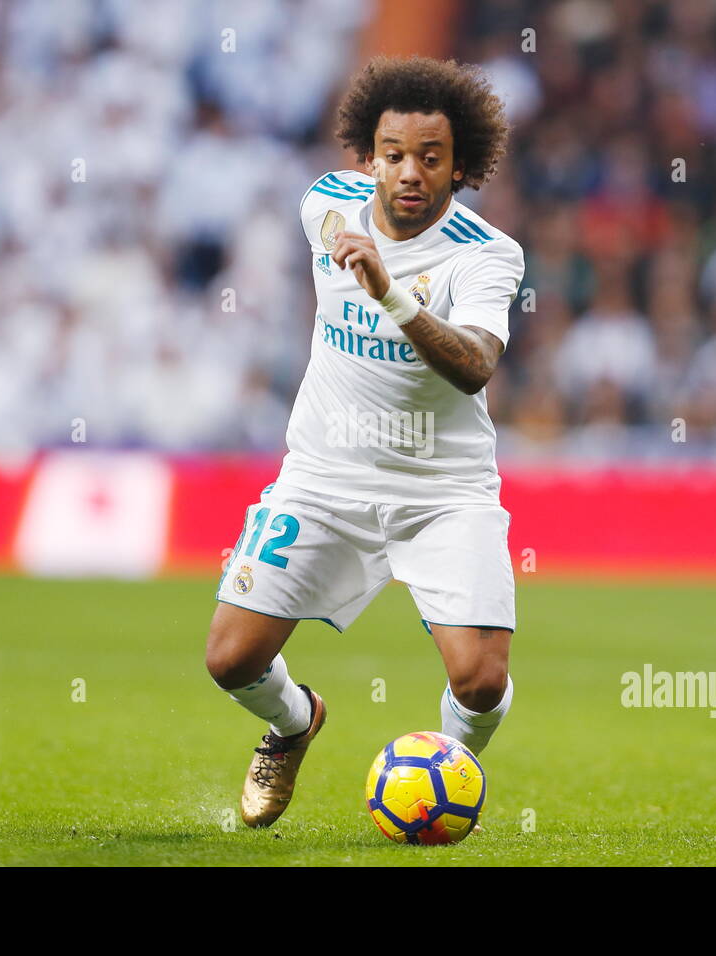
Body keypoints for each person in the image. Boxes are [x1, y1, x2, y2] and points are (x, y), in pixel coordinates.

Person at [204, 55, 526, 828]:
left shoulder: (486, 255)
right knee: (229, 659)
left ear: (462, 165)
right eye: (393, 154)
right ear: (368, 155)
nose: (409, 172)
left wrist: (390, 293)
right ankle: (293, 723)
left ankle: (448, 770)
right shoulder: (324, 206)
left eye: (430, 157)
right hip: (324, 476)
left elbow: (476, 366)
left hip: (442, 492)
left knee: (480, 680)